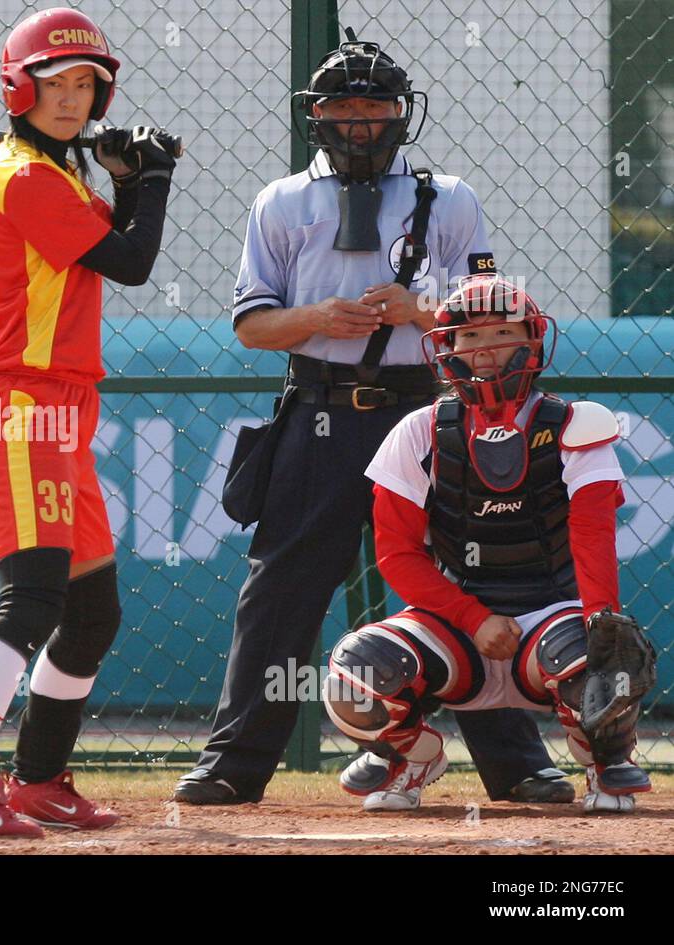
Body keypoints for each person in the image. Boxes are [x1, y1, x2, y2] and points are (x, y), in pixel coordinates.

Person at [175, 34, 570, 806]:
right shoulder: (281, 201)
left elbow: (489, 317)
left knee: (472, 573)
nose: (358, 119)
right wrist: (319, 316)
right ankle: (233, 761)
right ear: (316, 115)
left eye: (374, 105)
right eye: (342, 105)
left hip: (431, 413)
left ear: (400, 113)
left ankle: (517, 762)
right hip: (323, 409)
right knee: (283, 585)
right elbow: (253, 327)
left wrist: (418, 311)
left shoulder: (448, 197)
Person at [0, 6, 178, 838]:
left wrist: (127, 180)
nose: (71, 99)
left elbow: (119, 240)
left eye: (85, 86)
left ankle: (38, 781)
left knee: (92, 611)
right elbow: (132, 263)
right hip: (21, 407)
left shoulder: (60, 177)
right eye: (55, 84)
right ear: (17, 88)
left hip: (64, 415)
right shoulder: (25, 178)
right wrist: (152, 180)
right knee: (31, 600)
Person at [322, 274, 653, 812]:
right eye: (468, 337)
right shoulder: (418, 430)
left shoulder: (577, 423)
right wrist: (473, 618)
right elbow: (396, 554)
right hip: (458, 623)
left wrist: (599, 619)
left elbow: (592, 533)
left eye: (502, 331)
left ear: (531, 340)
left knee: (596, 652)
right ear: (446, 347)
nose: (486, 349)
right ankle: (412, 757)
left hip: (552, 610)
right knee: (355, 671)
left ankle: (606, 762)